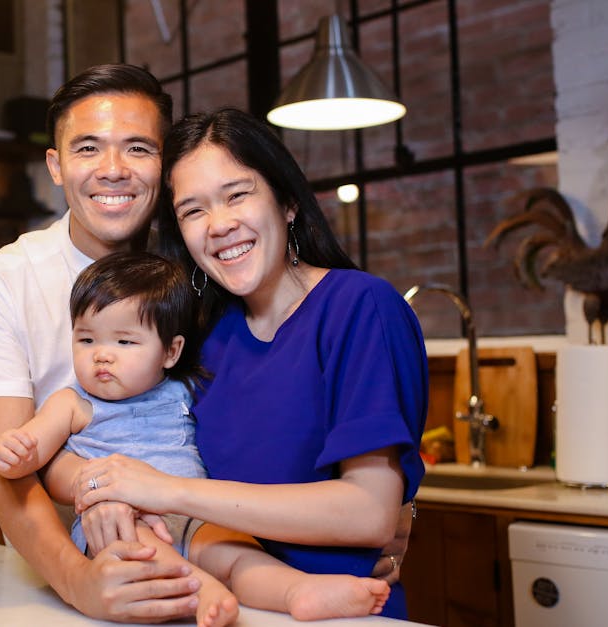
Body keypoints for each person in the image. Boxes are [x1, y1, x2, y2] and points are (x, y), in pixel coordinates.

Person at [0, 63, 409, 623]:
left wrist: (394, 504)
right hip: (78, 578)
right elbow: (11, 461)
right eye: (89, 148)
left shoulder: (203, 284)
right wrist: (90, 539)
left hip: (250, 575)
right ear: (55, 164)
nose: (113, 170)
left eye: (139, 149)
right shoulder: (2, 281)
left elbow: (347, 453)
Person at [72, 108, 429, 619]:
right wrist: (109, 497)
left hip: (340, 615)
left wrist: (168, 491)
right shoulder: (199, 339)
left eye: (237, 195)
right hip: (218, 609)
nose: (219, 225)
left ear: (286, 201)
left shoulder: (359, 306)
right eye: (193, 211)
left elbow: (370, 514)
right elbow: (126, 434)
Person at [0, 251, 390, 626]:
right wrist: (18, 450)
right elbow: (35, 451)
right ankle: (202, 591)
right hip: (120, 523)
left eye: (124, 341)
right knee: (143, 550)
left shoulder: (182, 391)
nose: (102, 355)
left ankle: (296, 591)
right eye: (87, 340)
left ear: (170, 351)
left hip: (195, 513)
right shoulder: (72, 403)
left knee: (236, 551)